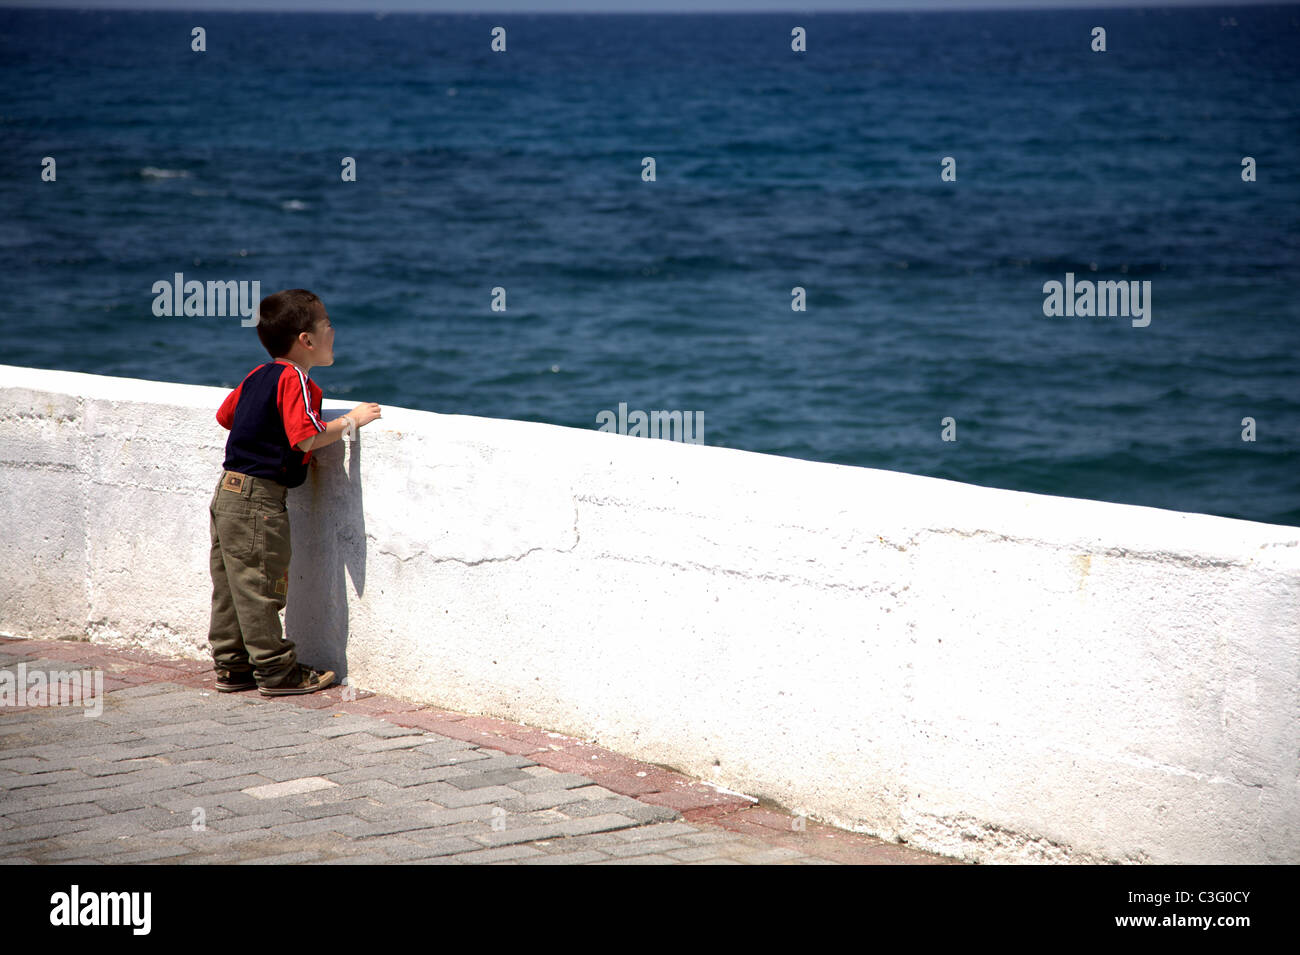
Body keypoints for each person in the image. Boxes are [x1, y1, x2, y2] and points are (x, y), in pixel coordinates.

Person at [207, 288, 381, 696]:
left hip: (228, 492)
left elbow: (225, 416)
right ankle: (275, 671)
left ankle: (233, 667)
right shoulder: (295, 378)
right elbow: (305, 438)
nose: (333, 331)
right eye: (328, 325)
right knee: (261, 585)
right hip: (259, 499)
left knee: (233, 586)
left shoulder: (257, 375)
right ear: (307, 339)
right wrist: (352, 420)